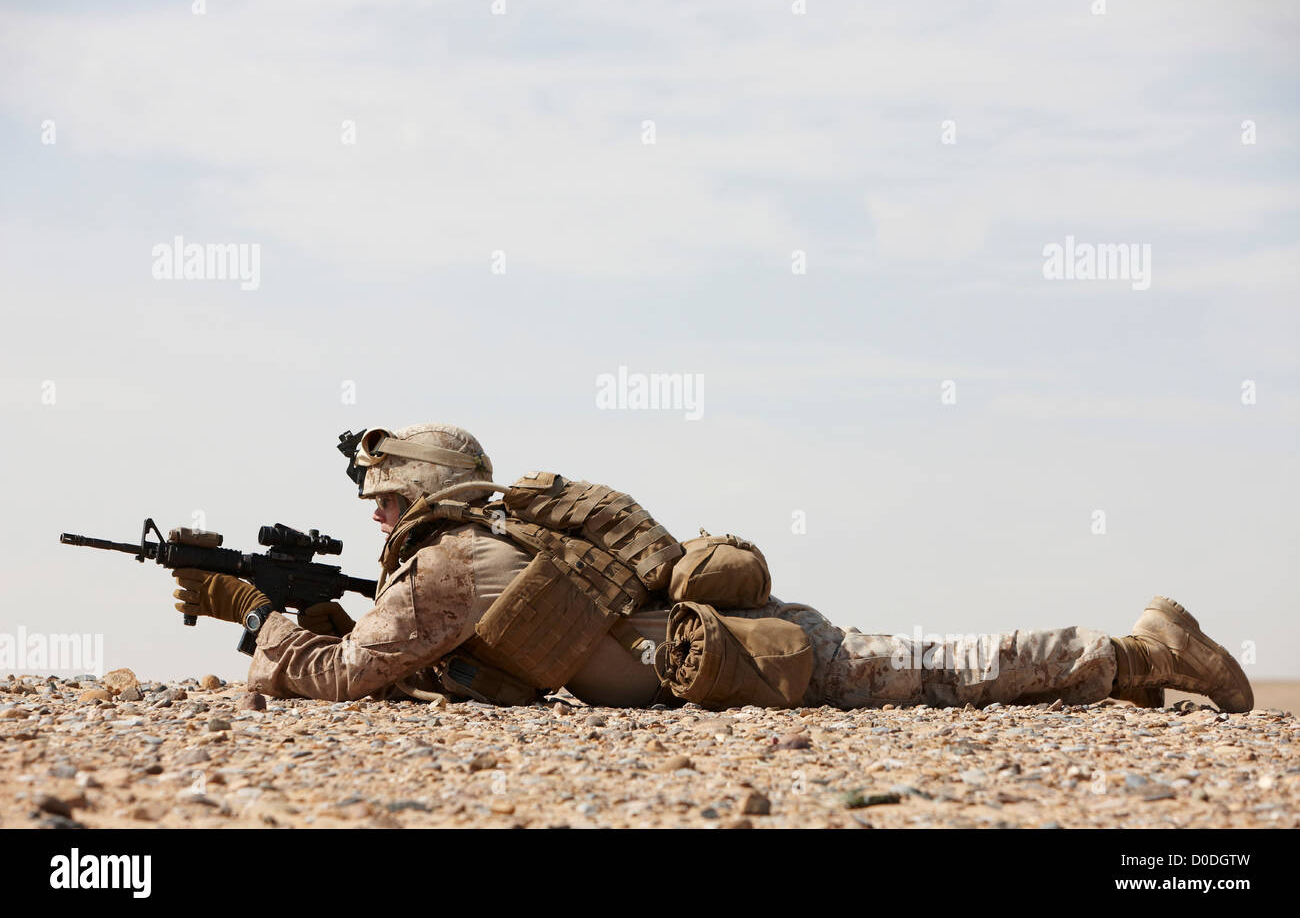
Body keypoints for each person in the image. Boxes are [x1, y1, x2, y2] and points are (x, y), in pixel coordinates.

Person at [170, 422, 1254, 713]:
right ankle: (1126, 662)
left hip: (755, 659)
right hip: (736, 648)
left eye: (387, 499)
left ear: (427, 497)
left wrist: (262, 626)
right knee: (935, 663)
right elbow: (423, 659)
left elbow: (348, 672)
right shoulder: (491, 545)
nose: (377, 519)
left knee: (946, 668)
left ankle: (1140, 648)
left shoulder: (454, 563)